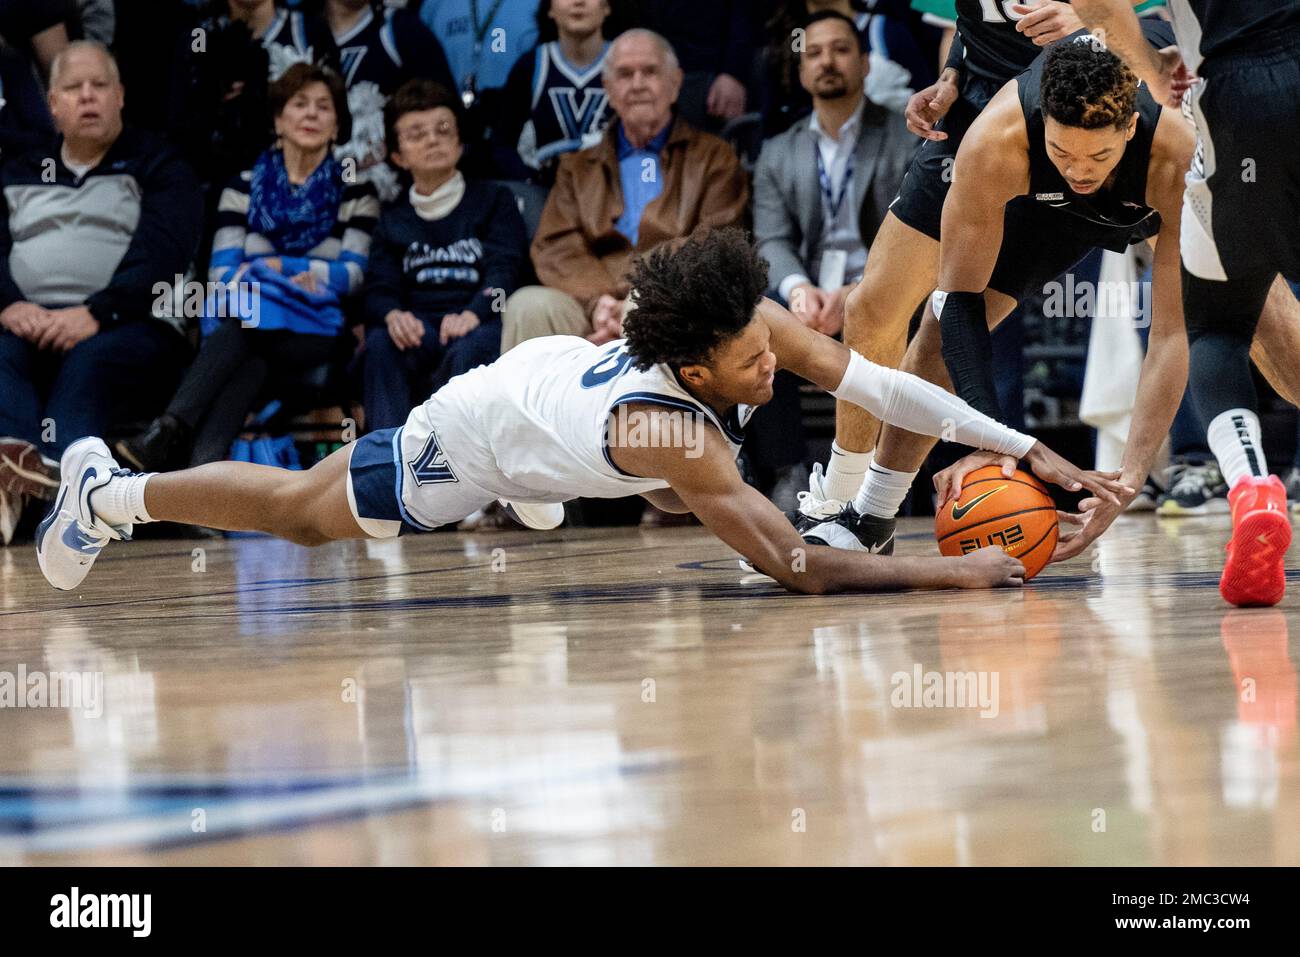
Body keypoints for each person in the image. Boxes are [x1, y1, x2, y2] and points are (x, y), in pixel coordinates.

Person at [36, 228, 1126, 595]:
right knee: (306, 513)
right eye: (749, 363)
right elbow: (797, 569)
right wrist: (956, 572)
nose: (772, 367)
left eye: (766, 350)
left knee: (715, 476)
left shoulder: (738, 324)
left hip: (571, 377)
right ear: (693, 371)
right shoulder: (677, 434)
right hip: (483, 427)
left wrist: (1026, 445)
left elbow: (886, 389)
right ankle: (111, 491)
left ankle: (547, 487)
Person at [814, 30, 1193, 557]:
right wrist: (989, 441)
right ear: (1042, 128)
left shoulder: (1176, 151)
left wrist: (1127, 482)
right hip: (1038, 208)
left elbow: (1172, 334)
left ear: (1130, 127)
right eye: (1063, 151)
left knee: (1259, 320)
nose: (1080, 170)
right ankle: (872, 517)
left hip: (1143, 195)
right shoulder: (995, 138)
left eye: (1097, 155)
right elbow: (959, 305)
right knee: (931, 338)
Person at [789, 0, 1121, 532]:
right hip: (975, 113)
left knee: (940, 343)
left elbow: (1159, 27)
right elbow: (975, 24)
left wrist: (1092, 27)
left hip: (1073, 124)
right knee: (871, 307)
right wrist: (951, 75)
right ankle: (839, 498)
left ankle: (875, 512)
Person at [1073, 0, 1300, 606]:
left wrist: (1155, 79)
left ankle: (1252, 485)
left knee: (1215, 326)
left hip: (1243, 96)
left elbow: (1100, 8)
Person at [116, 63, 379, 472]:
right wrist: (299, 277)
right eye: (299, 104)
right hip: (256, 326)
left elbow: (352, 275)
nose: (311, 114)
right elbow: (221, 276)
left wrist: (270, 267)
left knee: (242, 329)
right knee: (250, 355)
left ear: (336, 125)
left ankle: (169, 433)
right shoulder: (241, 187)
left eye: (323, 107)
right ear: (278, 119)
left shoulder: (356, 191)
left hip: (322, 331)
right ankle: (202, 478)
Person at [0, 42, 202, 544]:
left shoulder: (159, 164)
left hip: (129, 324)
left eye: (99, 86)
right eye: (73, 87)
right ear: (53, 105)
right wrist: (8, 304)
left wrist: (98, 312)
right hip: (28, 321)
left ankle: (65, 495)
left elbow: (164, 253)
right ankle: (17, 473)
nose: (87, 97)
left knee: (91, 361)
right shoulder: (17, 171)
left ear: (121, 96)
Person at [502, 29, 748, 349]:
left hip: (673, 295)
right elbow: (556, 248)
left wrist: (631, 295)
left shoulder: (715, 157)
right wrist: (601, 302)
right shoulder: (577, 166)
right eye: (624, 74)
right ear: (608, 89)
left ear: (675, 83)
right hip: (591, 300)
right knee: (527, 305)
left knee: (645, 305)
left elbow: (714, 243)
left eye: (649, 72)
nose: (637, 84)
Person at [361, 80, 527, 431]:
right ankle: (385, 464)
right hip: (417, 326)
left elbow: (505, 269)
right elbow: (378, 286)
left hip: (475, 321)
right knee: (380, 346)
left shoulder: (494, 200)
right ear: (397, 155)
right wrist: (392, 316)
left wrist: (474, 312)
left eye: (443, 129)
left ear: (460, 140)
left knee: (474, 350)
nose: (433, 140)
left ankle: (451, 466)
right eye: (417, 134)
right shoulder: (392, 217)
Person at [325, 0, 456, 200]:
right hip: (316, 195)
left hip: (395, 197)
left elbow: (445, 109)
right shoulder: (298, 31)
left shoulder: (401, 29)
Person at [489, 0, 626, 183]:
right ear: (550, 9)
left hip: (617, 188)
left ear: (607, 6)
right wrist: (529, 180)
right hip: (549, 192)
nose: (579, 2)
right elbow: (502, 143)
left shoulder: (628, 64)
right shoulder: (531, 65)